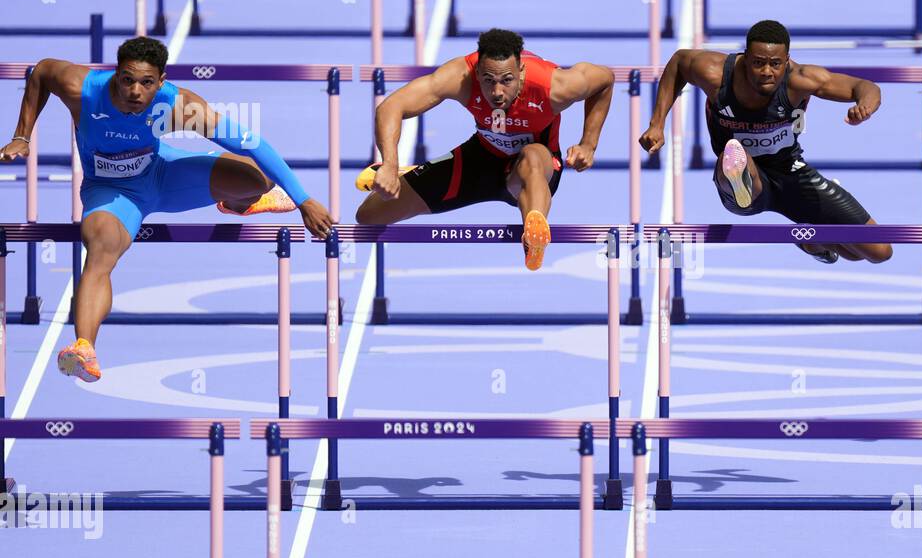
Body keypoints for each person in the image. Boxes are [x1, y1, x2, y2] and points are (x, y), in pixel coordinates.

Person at [0, 37, 334, 383]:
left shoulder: (179, 106)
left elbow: (252, 143)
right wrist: (22, 135)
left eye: (146, 83)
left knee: (258, 177)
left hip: (163, 175)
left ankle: (240, 203)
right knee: (100, 250)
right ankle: (85, 347)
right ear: (116, 74)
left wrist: (302, 200)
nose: (134, 91)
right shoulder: (82, 89)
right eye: (127, 79)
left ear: (161, 82)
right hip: (111, 192)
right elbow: (41, 72)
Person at [355, 28, 614, 271]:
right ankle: (403, 172)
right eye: (489, 80)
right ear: (477, 72)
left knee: (532, 156)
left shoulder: (555, 86)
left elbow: (605, 80)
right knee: (369, 215)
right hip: (480, 158)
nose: (497, 91)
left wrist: (588, 144)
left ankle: (534, 234)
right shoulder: (460, 76)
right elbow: (391, 107)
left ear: (521, 71)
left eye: (507, 81)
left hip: (534, 170)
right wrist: (388, 164)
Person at [638, 19, 893, 265]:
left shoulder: (801, 79)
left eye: (775, 64)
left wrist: (864, 107)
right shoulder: (716, 74)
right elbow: (680, 62)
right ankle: (739, 179)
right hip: (744, 180)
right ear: (746, 57)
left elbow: (865, 86)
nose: (766, 72)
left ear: (787, 61)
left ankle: (813, 244)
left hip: (792, 172)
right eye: (758, 63)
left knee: (876, 251)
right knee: (736, 154)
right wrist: (657, 123)